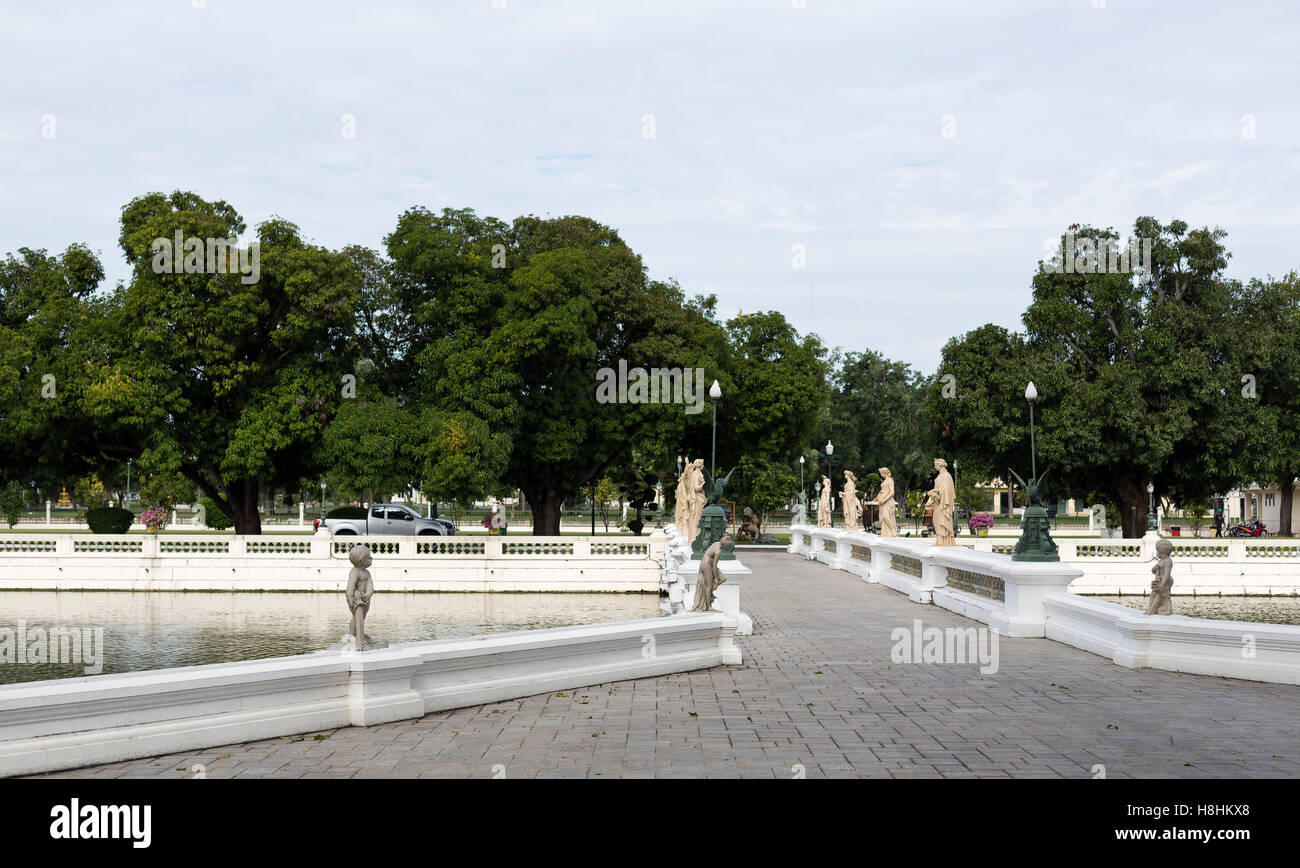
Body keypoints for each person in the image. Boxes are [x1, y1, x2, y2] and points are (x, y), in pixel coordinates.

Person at [692, 533, 733, 612]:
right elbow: (714, 566)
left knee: (723, 578)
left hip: (706, 563)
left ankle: (710, 592)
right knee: (709, 586)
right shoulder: (718, 552)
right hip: (706, 564)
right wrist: (716, 579)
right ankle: (708, 606)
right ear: (726, 545)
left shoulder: (716, 543)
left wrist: (717, 580)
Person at [346, 545, 375, 646]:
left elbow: (371, 586)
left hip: (365, 600)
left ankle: (358, 634)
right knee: (357, 616)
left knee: (362, 617)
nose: (371, 558)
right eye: (369, 557)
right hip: (356, 599)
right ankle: (354, 635)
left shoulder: (367, 573)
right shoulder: (355, 572)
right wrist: (350, 598)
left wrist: (368, 594)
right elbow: (351, 586)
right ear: (361, 560)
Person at [926, 458, 956, 546]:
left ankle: (943, 541)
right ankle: (939, 540)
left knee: (942, 521)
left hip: (943, 503)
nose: (935, 467)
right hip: (938, 502)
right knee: (936, 520)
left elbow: (945, 489)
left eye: (936, 465)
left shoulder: (946, 476)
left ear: (940, 465)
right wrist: (933, 495)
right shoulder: (939, 476)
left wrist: (934, 490)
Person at [1145, 539, 1174, 615]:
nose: (1157, 553)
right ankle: (1153, 609)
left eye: (1157, 551)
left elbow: (1167, 574)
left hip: (1165, 581)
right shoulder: (1161, 561)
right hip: (1158, 581)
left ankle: (1154, 610)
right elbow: (1153, 571)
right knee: (1153, 594)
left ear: (1161, 552)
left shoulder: (1168, 561)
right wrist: (1155, 568)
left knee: (1159, 595)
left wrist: (1162, 584)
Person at [874, 467, 897, 537]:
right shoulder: (885, 481)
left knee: (887, 516)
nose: (881, 475)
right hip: (882, 502)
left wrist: (884, 500)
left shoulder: (890, 480)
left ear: (884, 473)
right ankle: (884, 532)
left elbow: (892, 492)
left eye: (881, 473)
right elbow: (882, 491)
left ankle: (892, 532)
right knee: (882, 517)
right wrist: (877, 497)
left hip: (888, 502)